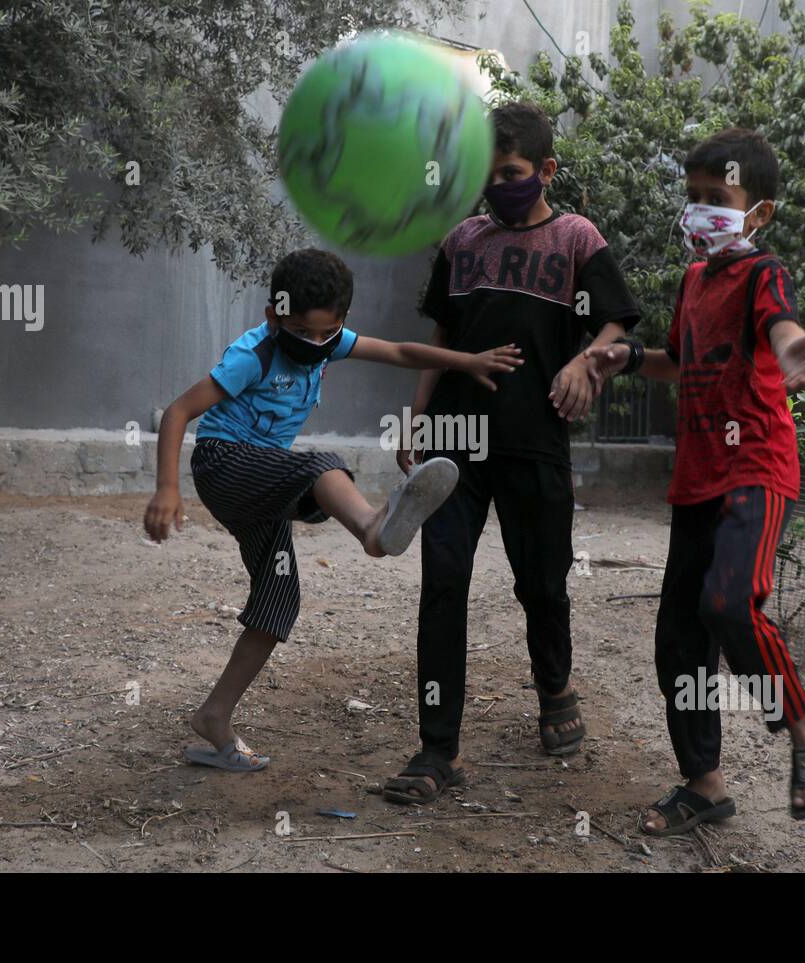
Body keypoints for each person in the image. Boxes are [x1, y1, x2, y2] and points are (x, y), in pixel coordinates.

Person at [144, 248, 523, 771]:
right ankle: (373, 526)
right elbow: (178, 412)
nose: (316, 344)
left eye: (328, 334)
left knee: (278, 600)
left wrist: (468, 361)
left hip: (265, 481)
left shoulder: (326, 344)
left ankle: (215, 716)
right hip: (224, 464)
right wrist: (167, 488)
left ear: (341, 323)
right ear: (273, 314)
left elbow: (400, 353)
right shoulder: (253, 355)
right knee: (321, 464)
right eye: (302, 331)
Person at [586, 128, 805, 832]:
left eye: (718, 198)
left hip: (756, 468)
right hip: (696, 477)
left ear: (757, 213)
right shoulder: (694, 279)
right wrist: (628, 359)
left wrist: (794, 350)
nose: (701, 210)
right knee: (679, 639)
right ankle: (704, 784)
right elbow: (679, 357)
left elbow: (782, 328)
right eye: (693, 197)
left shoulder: (763, 272)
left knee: (732, 603)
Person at [382, 102, 641, 804]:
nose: (498, 186)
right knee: (442, 587)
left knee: (542, 583)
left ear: (547, 170)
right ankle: (437, 751)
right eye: (486, 175)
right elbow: (442, 329)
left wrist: (587, 361)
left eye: (513, 173)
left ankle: (554, 685)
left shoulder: (576, 238)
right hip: (453, 443)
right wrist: (415, 418)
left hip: (535, 439)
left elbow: (617, 317)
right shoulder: (462, 239)